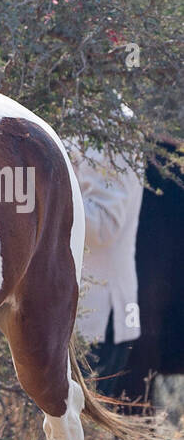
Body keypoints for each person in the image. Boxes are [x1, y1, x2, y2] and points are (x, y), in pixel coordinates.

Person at [68, 111, 144, 389]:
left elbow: (103, 226)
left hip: (101, 317)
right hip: (72, 313)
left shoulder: (111, 123)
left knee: (85, 427)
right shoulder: (72, 113)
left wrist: (46, 192)